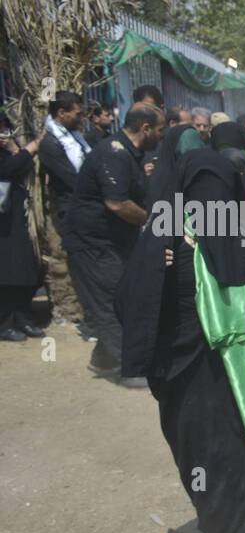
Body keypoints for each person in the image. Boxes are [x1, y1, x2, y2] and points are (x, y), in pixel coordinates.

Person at [116, 125, 245, 533]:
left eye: (220, 192)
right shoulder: (162, 237)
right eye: (201, 193)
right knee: (210, 459)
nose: (211, 202)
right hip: (185, 376)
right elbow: (131, 305)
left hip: (242, 372)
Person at [63, 102, 164, 384]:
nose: (161, 135)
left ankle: (103, 359)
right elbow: (118, 203)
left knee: (118, 296)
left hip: (111, 241)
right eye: (159, 129)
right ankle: (124, 368)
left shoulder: (130, 153)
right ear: (145, 129)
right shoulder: (115, 154)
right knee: (111, 300)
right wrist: (153, 222)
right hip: (93, 243)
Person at [0, 117, 45, 342]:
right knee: (7, 274)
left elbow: (25, 168)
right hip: (3, 223)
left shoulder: (11, 149)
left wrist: (16, 149)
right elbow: (8, 170)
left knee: (24, 269)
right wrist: (25, 151)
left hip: (18, 217)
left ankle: (23, 317)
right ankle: (5, 322)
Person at [37, 91, 90, 233]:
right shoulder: (50, 144)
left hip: (88, 208)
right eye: (77, 114)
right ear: (61, 113)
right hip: (74, 212)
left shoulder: (75, 137)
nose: (81, 119)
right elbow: (72, 179)